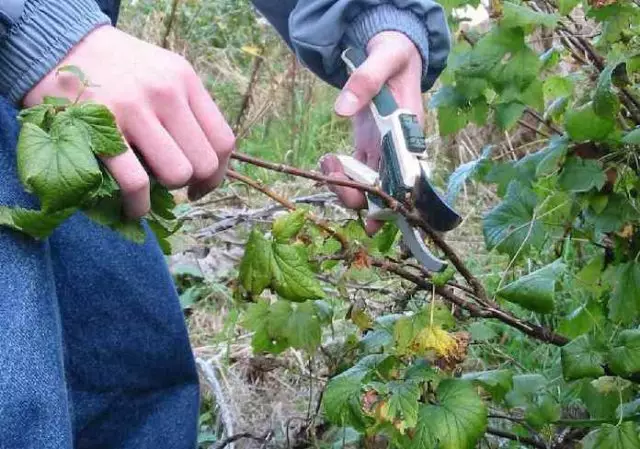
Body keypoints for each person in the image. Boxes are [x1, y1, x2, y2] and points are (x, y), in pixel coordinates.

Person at [0, 0, 450, 448]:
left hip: (69, 103)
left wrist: (371, 18)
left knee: (135, 384)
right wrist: (35, 25)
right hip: (49, 62)